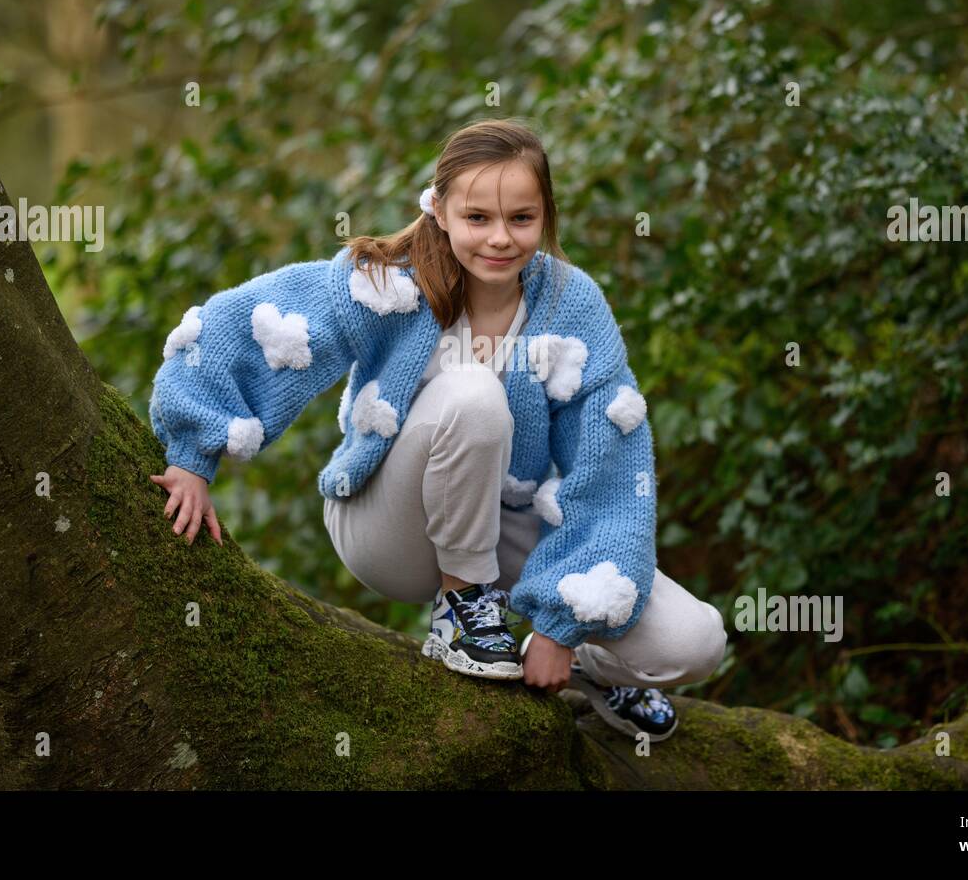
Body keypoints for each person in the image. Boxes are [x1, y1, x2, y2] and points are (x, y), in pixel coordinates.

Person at [148, 118, 727, 743]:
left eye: (522, 219)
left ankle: (585, 663)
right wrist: (192, 454)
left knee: (694, 642)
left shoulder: (572, 303)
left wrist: (562, 626)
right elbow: (252, 325)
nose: (500, 239)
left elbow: (611, 465)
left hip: (502, 524)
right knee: (473, 393)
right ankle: (459, 611)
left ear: (546, 217)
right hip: (388, 525)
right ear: (441, 210)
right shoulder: (387, 282)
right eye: (478, 218)